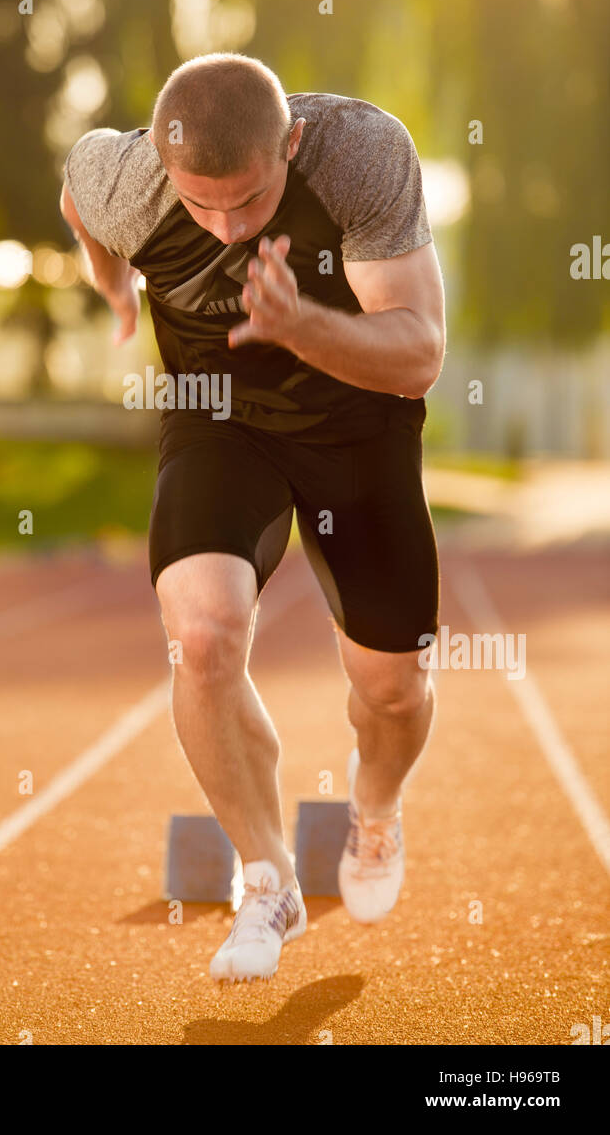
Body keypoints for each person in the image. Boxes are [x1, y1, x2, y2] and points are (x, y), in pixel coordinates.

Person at [60, 53, 445, 983]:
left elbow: (420, 352)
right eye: (199, 206)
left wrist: (299, 326)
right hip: (217, 417)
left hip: (357, 422)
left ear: (293, 146)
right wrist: (112, 284)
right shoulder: (125, 182)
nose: (225, 227)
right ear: (160, 163)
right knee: (201, 631)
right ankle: (265, 877)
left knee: (389, 689)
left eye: (247, 201)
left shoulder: (359, 153)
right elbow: (78, 197)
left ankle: (376, 808)